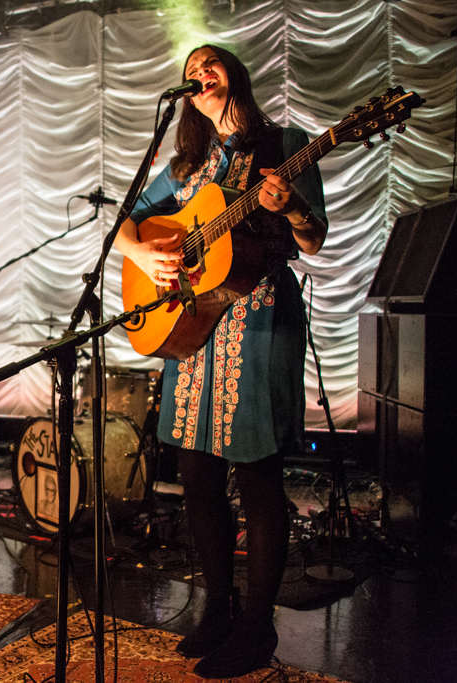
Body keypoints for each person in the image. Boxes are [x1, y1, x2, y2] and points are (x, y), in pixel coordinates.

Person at [115, 45, 328, 679]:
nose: (198, 74)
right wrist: (149, 258)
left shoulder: (284, 144)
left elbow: (313, 237)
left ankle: (258, 629)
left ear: (235, 73)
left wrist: (288, 204)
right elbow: (125, 222)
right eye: (189, 70)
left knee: (257, 482)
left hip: (259, 316)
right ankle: (218, 607)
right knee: (198, 477)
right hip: (194, 326)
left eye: (210, 64)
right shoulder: (186, 166)